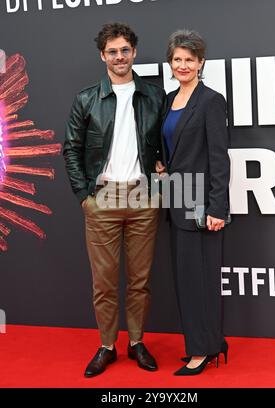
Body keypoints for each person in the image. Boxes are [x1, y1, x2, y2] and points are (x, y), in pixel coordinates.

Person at [63, 22, 165, 377]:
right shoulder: (86, 99)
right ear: (102, 56)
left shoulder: (154, 96)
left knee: (140, 280)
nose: (119, 57)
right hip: (101, 199)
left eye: (125, 50)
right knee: (104, 282)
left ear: (133, 52)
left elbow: (165, 142)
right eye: (112, 51)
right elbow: (71, 150)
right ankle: (107, 345)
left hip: (142, 198)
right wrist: (83, 196)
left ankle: (136, 342)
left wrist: (162, 167)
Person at [156, 30, 230, 375]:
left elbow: (219, 157)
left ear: (201, 62)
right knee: (186, 278)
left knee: (200, 278)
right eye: (177, 60)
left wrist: (218, 208)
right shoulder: (169, 98)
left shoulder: (211, 100)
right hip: (177, 200)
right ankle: (209, 341)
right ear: (170, 63)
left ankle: (203, 349)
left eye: (189, 59)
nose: (183, 65)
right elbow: (172, 149)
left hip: (202, 205)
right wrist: (161, 165)